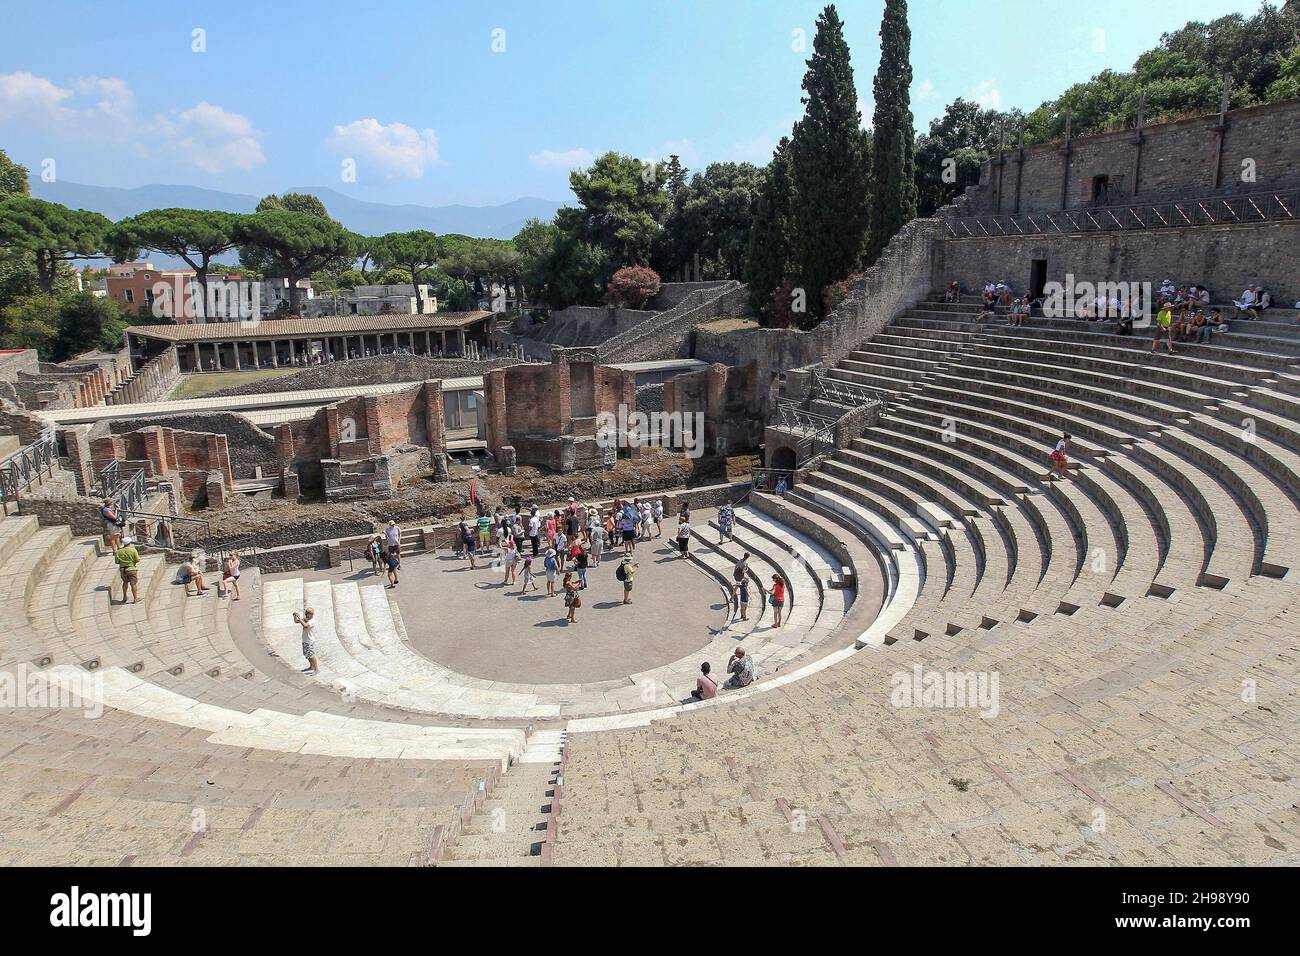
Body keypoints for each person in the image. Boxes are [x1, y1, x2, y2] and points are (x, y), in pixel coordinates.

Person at [113, 536, 143, 604]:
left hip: (123, 570)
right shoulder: (133, 550)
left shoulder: (118, 551)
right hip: (131, 569)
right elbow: (137, 560)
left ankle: (125, 597)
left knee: (125, 582)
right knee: (133, 584)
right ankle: (135, 598)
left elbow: (117, 562)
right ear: (130, 543)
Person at [293, 608, 319, 675]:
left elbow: (305, 625)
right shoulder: (306, 619)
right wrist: (295, 616)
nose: (307, 615)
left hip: (310, 641)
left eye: (309, 613)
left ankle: (316, 669)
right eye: (307, 613)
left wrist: (300, 618)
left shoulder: (312, 621)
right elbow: (296, 621)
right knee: (307, 655)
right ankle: (311, 666)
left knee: (312, 655)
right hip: (305, 640)